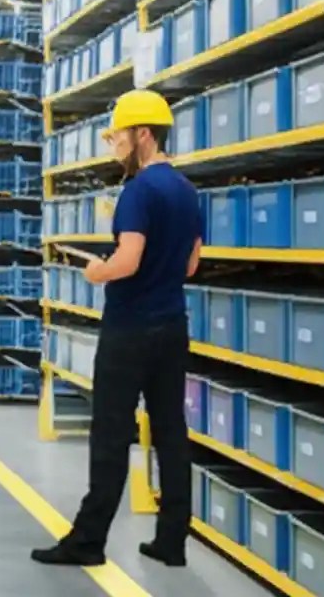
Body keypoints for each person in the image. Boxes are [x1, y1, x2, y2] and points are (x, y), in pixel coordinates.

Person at [31, 89, 203, 568]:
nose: (116, 146)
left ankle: (88, 542)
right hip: (172, 325)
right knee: (171, 431)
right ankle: (172, 540)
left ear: (143, 135)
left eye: (120, 136)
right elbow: (191, 263)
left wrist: (97, 271)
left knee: (110, 432)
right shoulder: (188, 191)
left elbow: (127, 261)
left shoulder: (139, 191)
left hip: (130, 329)